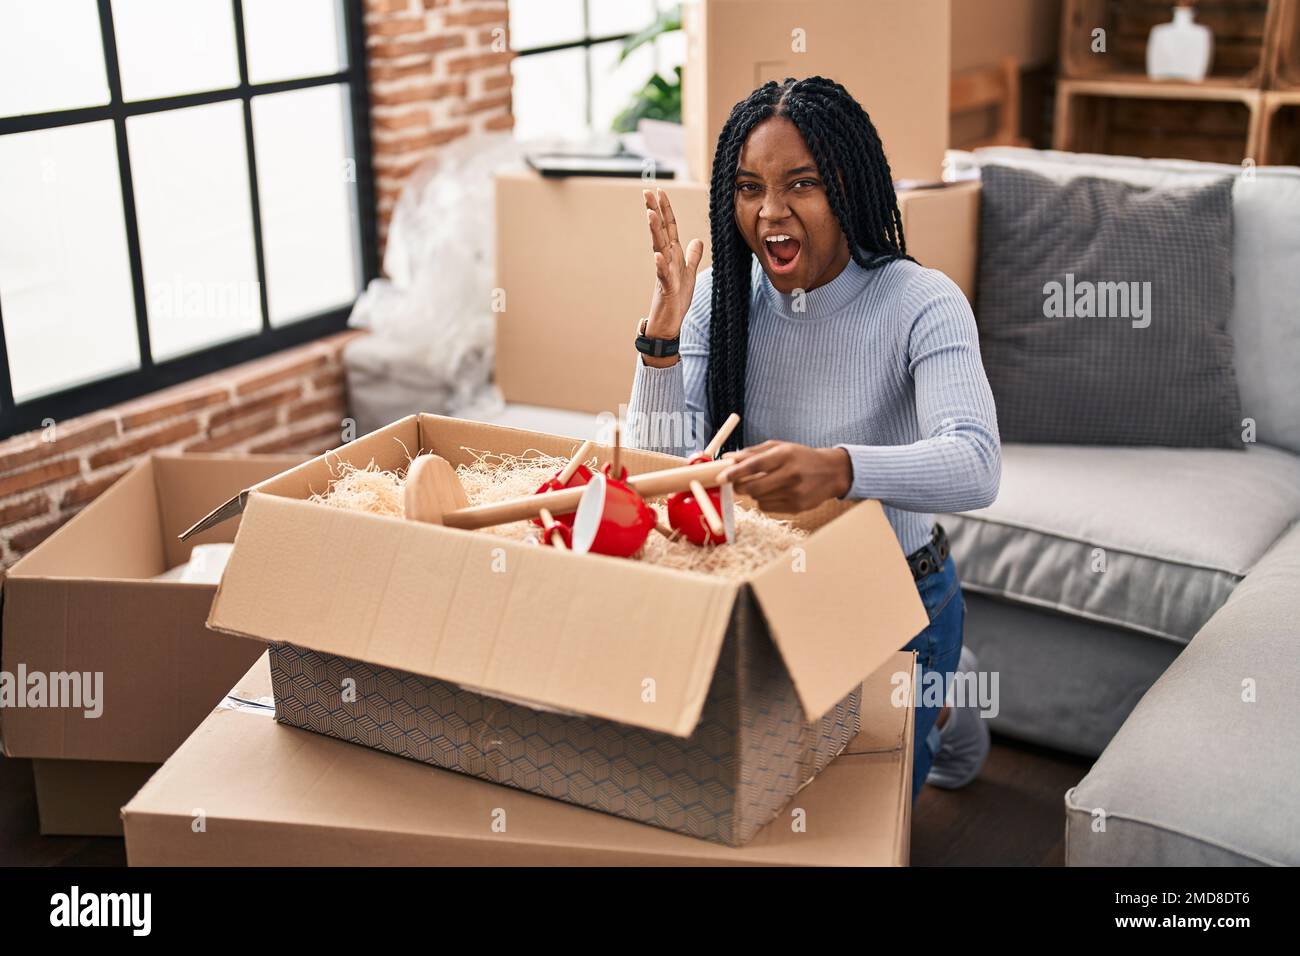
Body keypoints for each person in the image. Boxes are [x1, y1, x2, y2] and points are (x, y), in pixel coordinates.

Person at [625, 76, 1000, 799]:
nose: (770, 212)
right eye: (747, 187)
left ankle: (944, 697)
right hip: (775, 589)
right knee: (785, 796)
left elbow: (977, 464)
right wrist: (663, 336)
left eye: (802, 184)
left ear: (848, 189)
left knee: (867, 814)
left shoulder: (923, 303)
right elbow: (662, 468)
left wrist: (838, 471)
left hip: (899, 594)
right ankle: (946, 697)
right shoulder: (719, 301)